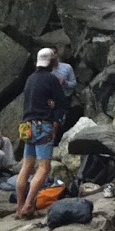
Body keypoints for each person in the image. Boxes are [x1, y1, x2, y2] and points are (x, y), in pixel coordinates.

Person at [15, 49, 69, 218]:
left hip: (27, 127)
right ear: (51, 62)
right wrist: (54, 115)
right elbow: (62, 103)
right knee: (44, 168)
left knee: (26, 166)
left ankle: (19, 207)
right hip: (42, 126)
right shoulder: (51, 79)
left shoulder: (30, 79)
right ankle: (29, 205)